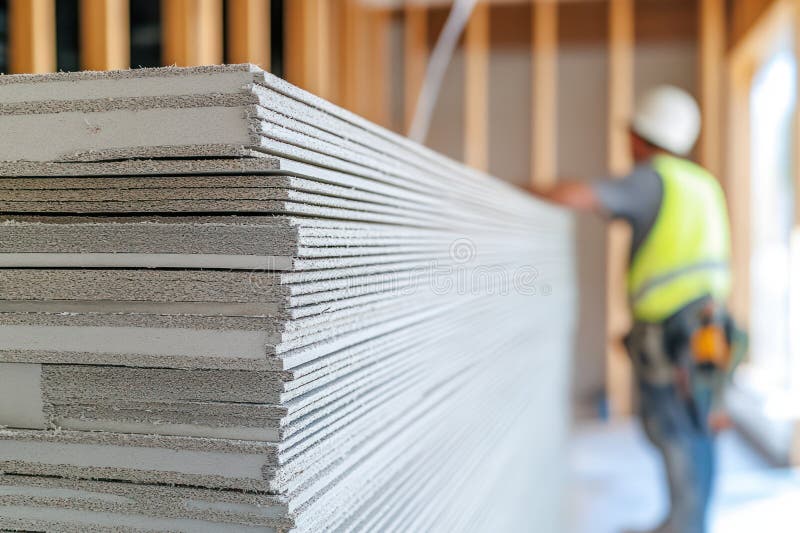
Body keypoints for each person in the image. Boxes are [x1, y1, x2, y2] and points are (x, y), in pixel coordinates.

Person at [530, 86, 744, 533]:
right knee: (696, 425)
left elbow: (579, 196)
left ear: (640, 136)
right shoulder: (699, 182)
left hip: (675, 332)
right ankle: (685, 521)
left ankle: (686, 526)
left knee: (674, 428)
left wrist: (518, 190)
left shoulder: (653, 178)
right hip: (708, 325)